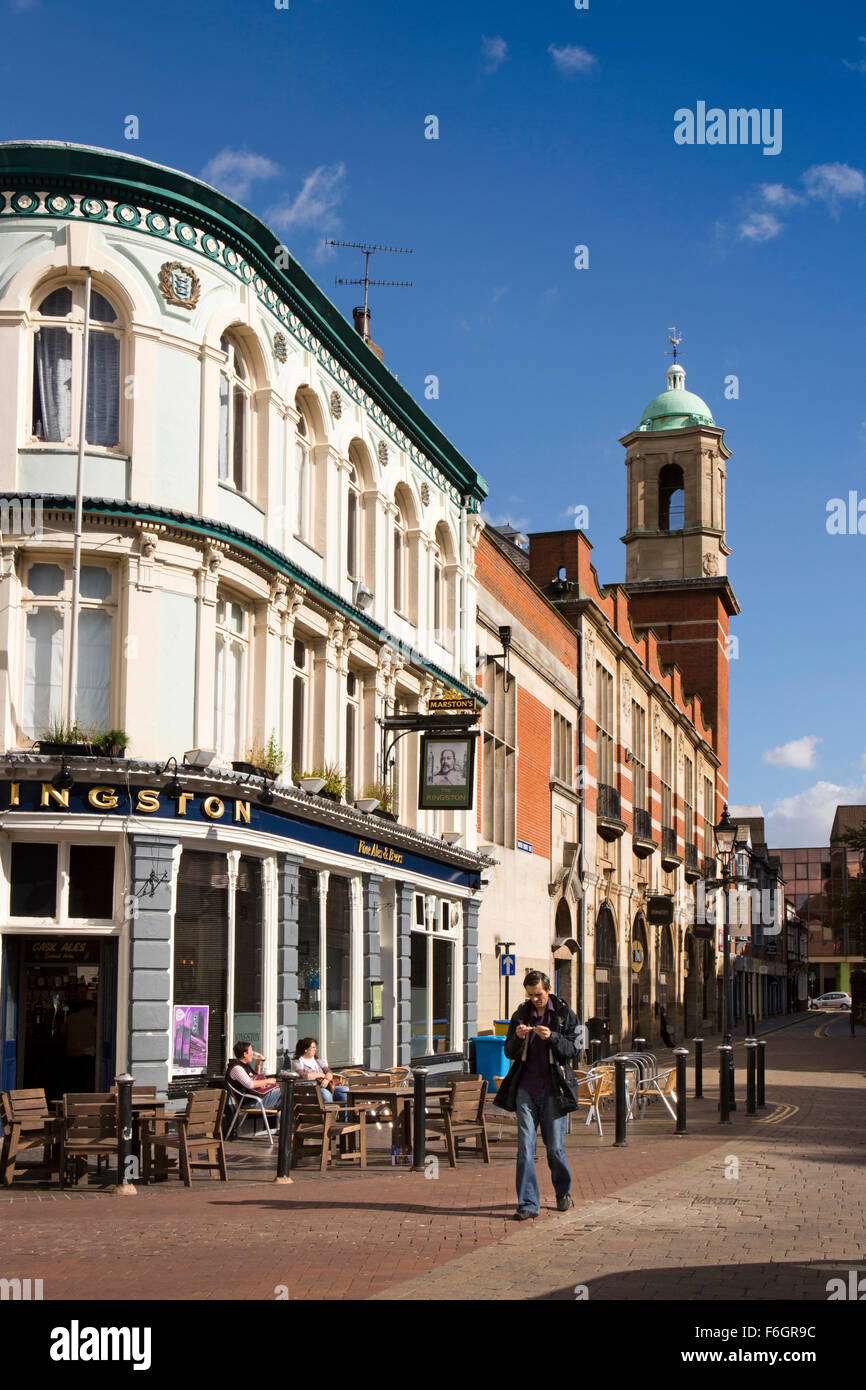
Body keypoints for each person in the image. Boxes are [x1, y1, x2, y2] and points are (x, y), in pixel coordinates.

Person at [493, 971, 580, 1220]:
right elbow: (509, 1051)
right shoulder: (520, 1015)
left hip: (554, 1090)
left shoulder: (564, 1015)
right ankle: (528, 1203)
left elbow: (574, 1050)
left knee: (554, 1148)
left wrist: (553, 1037)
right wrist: (518, 1038)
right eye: (530, 996)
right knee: (524, 1148)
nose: (535, 1000)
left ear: (548, 989)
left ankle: (563, 1190)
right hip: (525, 1091)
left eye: (539, 995)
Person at [225, 1041, 282, 1109]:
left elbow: (256, 1079)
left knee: (286, 1095)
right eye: (251, 1051)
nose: (253, 1053)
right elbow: (250, 1084)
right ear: (245, 1054)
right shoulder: (236, 1068)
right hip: (251, 1103)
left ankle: (283, 1118)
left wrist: (258, 1065)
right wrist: (268, 1081)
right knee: (285, 1092)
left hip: (257, 1100)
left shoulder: (244, 1066)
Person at [292, 1038, 349, 1107]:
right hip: (310, 1090)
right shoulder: (297, 1062)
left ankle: (344, 1117)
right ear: (306, 1049)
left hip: (325, 1086)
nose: (315, 1049)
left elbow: (329, 1072)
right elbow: (303, 1076)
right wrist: (320, 1075)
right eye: (313, 1047)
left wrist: (326, 1080)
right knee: (325, 1093)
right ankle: (330, 1116)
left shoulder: (317, 1060)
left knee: (344, 1090)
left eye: (315, 1047)